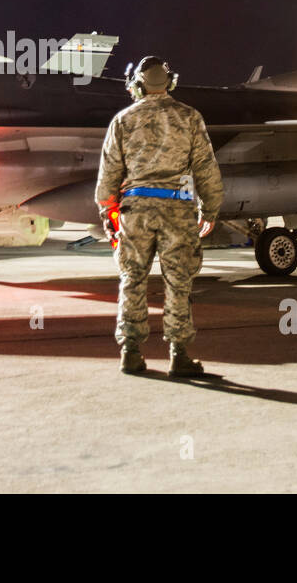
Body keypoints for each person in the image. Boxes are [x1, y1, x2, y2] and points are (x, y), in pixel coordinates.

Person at [96, 57, 223, 377]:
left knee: (132, 279)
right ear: (170, 82)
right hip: (177, 212)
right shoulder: (190, 117)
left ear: (136, 85)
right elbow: (207, 169)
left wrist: (106, 211)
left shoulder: (123, 120)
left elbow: (108, 175)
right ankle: (179, 355)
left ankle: (131, 352)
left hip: (135, 213)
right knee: (179, 282)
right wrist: (210, 209)